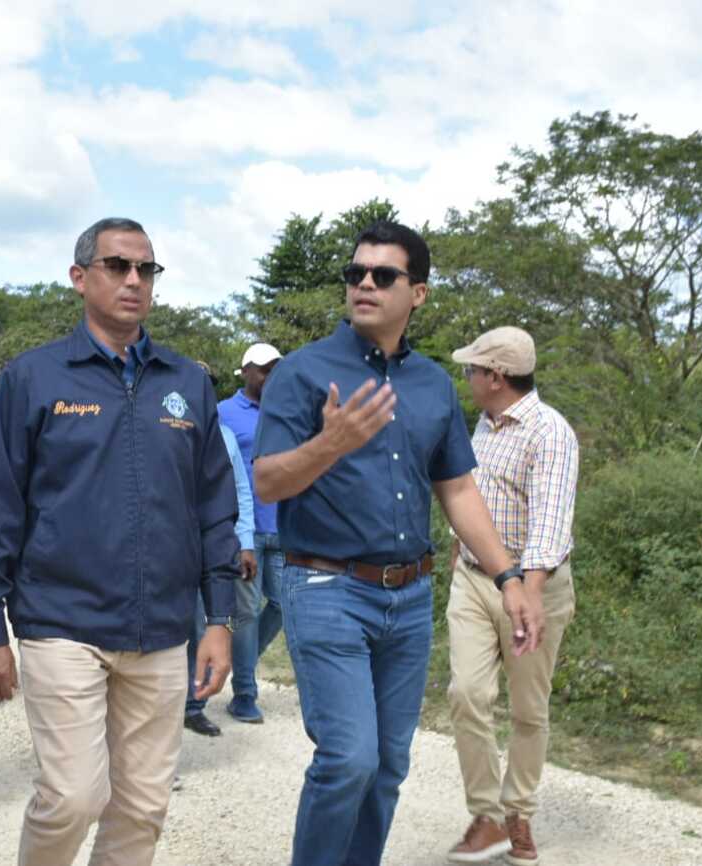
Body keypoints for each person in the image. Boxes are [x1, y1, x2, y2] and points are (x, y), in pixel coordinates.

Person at [252, 220, 542, 866]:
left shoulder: (433, 384)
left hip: (409, 599)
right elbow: (268, 482)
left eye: (383, 275)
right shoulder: (302, 373)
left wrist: (509, 577)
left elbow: (458, 490)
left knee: (387, 767)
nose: (365, 284)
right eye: (355, 273)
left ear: (418, 293)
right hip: (325, 585)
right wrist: (331, 444)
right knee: (348, 758)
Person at [0, 217, 240, 866]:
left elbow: (214, 505)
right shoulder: (34, 378)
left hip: (161, 630)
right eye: (117, 266)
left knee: (142, 806)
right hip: (63, 622)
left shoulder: (187, 383)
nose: (134, 280)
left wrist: (220, 617)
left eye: (146, 268)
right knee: (73, 796)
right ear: (80, 277)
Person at [445, 327, 579, 866]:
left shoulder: (550, 433)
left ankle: (517, 811)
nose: (467, 377)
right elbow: (470, 495)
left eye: (473, 370)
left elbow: (549, 522)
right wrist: (458, 549)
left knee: (528, 708)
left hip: (535, 585)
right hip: (475, 580)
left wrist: (530, 594)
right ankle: (487, 817)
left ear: (496, 377)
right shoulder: (483, 424)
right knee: (466, 694)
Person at [184, 362, 254, 738]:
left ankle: (192, 706)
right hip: (170, 549)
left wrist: (246, 542)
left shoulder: (224, 436)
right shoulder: (161, 427)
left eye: (208, 385)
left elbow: (240, 490)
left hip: (210, 549)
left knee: (204, 625)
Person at [217, 341, 283, 724]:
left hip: (283, 528)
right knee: (245, 612)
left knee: (282, 605)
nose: (271, 376)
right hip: (246, 531)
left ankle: (240, 659)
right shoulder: (223, 412)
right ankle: (245, 694)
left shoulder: (286, 412)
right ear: (246, 372)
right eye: (264, 369)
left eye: (276, 369)